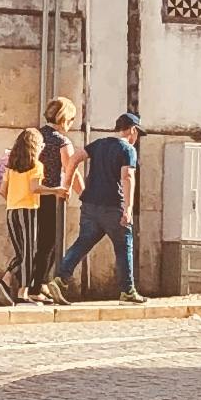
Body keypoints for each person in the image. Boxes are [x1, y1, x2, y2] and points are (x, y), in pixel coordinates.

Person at [45, 110, 142, 303]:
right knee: (124, 246)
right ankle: (128, 291)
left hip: (90, 205)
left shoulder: (99, 144)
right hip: (113, 206)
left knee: (83, 243)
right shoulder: (128, 150)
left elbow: (74, 158)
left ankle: (60, 279)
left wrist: (67, 184)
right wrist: (128, 208)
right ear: (132, 130)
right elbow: (127, 177)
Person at [0, 124, 45, 302]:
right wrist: (56, 191)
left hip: (11, 211)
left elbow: (3, 189)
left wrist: (13, 200)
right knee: (30, 253)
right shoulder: (36, 165)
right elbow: (35, 188)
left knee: (22, 253)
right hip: (28, 210)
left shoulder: (11, 166)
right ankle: (22, 292)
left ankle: (6, 280)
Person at [36, 96, 81, 274]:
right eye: (72, 119)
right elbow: (71, 170)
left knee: (31, 243)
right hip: (50, 195)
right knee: (49, 243)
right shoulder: (61, 141)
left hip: (29, 194)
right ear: (64, 118)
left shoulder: (35, 136)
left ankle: (18, 280)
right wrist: (84, 195)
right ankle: (37, 284)